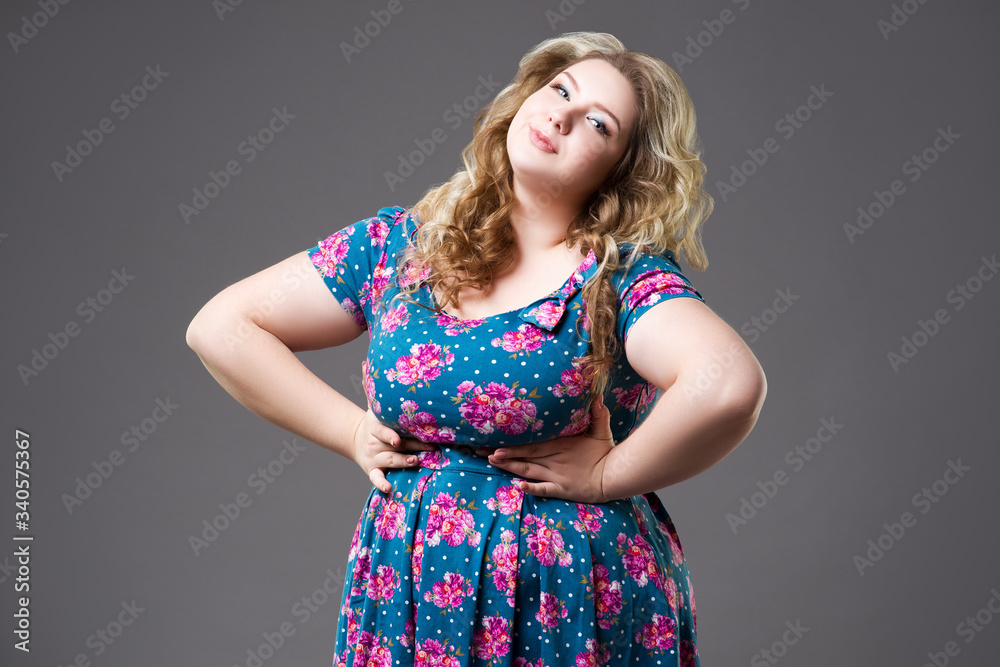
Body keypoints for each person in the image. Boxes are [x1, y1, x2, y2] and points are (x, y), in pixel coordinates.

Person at [187, 31, 766, 667]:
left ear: (622, 169)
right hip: (411, 584)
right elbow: (222, 328)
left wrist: (608, 475)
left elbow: (728, 381)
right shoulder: (400, 248)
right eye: (559, 91)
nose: (561, 116)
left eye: (597, 123)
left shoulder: (620, 278)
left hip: (563, 594)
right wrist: (351, 431)